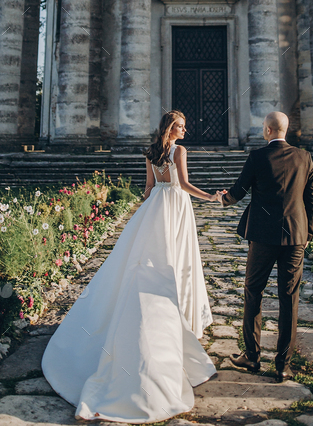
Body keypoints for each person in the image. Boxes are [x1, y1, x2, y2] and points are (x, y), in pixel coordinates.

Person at [42, 110, 223, 422]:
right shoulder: (179, 151)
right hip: (177, 208)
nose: (185, 129)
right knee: (176, 265)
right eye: (181, 125)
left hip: (155, 209)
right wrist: (211, 197)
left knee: (146, 262)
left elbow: (150, 189)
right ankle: (178, 322)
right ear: (172, 128)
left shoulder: (151, 152)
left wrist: (142, 218)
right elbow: (185, 185)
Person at [220, 111, 313, 382]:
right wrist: (308, 231)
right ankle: (283, 365)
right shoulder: (304, 157)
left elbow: (238, 192)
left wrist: (222, 199)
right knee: (289, 298)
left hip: (263, 236)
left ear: (267, 131)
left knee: (253, 291)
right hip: (295, 237)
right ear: (286, 130)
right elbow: (312, 198)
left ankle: (251, 356)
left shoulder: (258, 157)